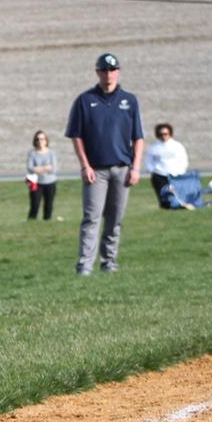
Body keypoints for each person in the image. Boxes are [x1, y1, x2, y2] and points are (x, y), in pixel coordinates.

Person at [65, 52, 144, 275]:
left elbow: (138, 137)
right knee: (91, 218)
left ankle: (109, 261)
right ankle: (84, 265)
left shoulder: (129, 101)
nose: (108, 75)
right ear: (98, 72)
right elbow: (76, 135)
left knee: (115, 218)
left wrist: (136, 167)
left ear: (117, 72)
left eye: (112, 70)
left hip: (122, 168)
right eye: (104, 71)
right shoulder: (85, 100)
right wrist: (84, 165)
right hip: (96, 171)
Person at [144, 122, 190, 209]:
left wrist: (181, 171)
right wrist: (151, 169)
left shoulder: (177, 146)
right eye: (161, 134)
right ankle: (166, 207)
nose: (163, 136)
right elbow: (149, 160)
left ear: (170, 134)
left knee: (175, 195)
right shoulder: (154, 147)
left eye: (165, 134)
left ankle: (179, 206)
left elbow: (183, 159)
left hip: (175, 174)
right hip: (159, 175)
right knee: (163, 196)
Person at [26, 130, 58, 221]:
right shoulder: (32, 153)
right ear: (35, 141)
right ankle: (31, 221)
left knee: (49, 205)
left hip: (50, 182)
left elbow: (54, 169)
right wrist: (46, 168)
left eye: (42, 139)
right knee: (34, 204)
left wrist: (38, 169)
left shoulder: (51, 153)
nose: (40, 141)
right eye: (38, 139)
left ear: (46, 140)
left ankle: (47, 222)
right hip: (35, 182)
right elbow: (30, 168)